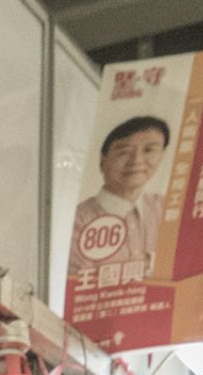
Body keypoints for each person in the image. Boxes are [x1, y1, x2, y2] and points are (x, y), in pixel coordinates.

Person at [68, 115, 171, 283]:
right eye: (124, 152)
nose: (137, 161)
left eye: (149, 150)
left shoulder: (167, 208)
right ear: (103, 161)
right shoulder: (77, 222)